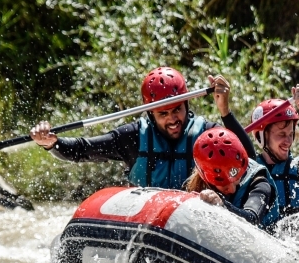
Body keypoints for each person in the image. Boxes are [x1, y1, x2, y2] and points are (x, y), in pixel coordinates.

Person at [30, 68, 244, 190]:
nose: (172, 119)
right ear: (150, 113)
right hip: (147, 226)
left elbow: (246, 160)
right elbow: (83, 150)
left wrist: (225, 111)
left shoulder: (207, 135)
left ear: (186, 105)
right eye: (163, 113)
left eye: (177, 110)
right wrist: (52, 143)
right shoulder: (133, 137)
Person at [241, 86, 299, 226]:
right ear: (260, 137)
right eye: (282, 134)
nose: (288, 141)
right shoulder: (250, 170)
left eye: (290, 134)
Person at [186, 128, 276, 227]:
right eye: (224, 185)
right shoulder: (196, 182)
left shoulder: (260, 184)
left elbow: (252, 219)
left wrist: (223, 205)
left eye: (236, 178)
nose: (232, 189)